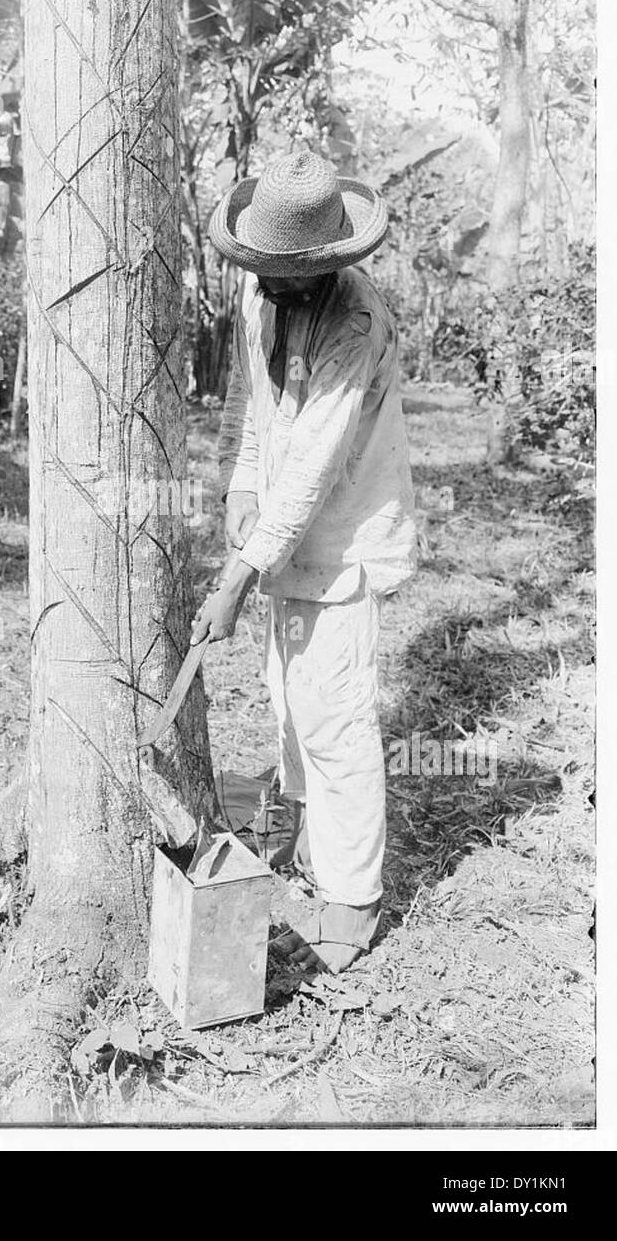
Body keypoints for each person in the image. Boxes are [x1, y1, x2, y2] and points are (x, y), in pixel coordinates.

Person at [190, 148, 417, 974]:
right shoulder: (260, 293)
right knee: (289, 702)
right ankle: (304, 851)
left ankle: (352, 901)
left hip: (343, 530)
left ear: (327, 263)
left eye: (289, 274)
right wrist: (241, 485)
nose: (271, 283)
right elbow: (256, 405)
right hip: (282, 533)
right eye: (262, 269)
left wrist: (234, 578)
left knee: (336, 721)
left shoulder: (355, 323)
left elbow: (317, 465)